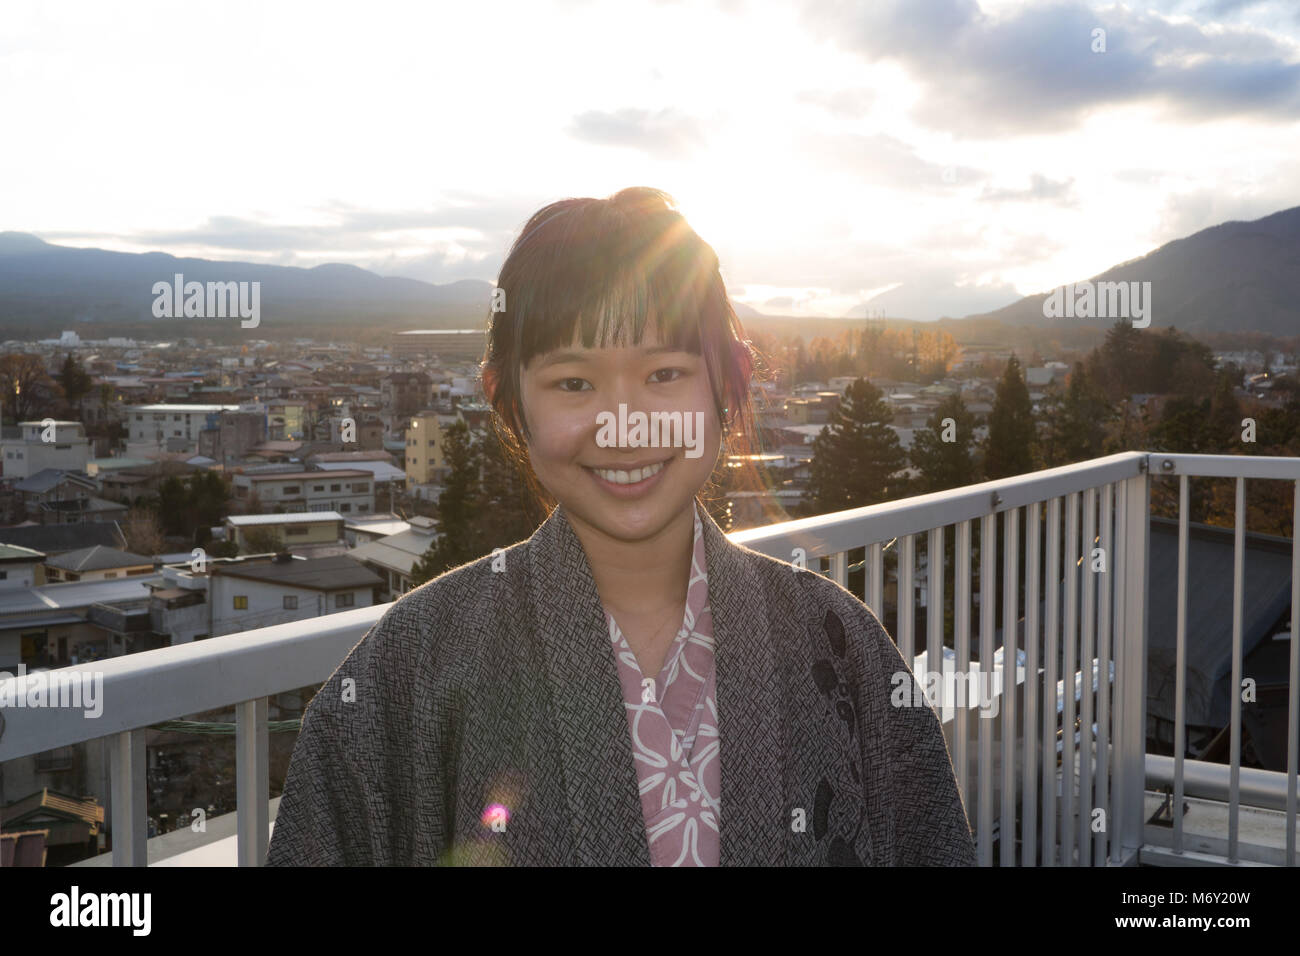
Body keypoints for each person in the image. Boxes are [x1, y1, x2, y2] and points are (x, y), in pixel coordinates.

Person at [266, 187, 976, 866]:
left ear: (729, 382)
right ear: (507, 398)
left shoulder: (841, 646)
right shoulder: (411, 666)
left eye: (665, 373)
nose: (625, 422)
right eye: (574, 382)